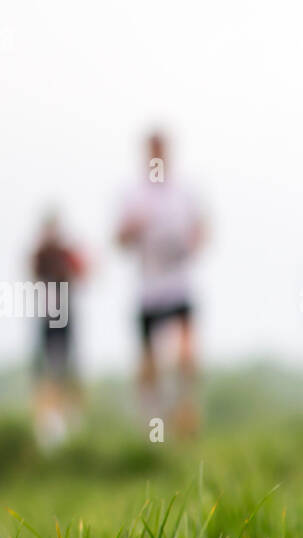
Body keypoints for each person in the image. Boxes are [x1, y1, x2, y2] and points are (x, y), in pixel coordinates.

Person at [116, 131, 207, 437]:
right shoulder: (134, 194)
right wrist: (132, 229)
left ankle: (184, 413)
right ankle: (152, 419)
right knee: (148, 364)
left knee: (187, 355)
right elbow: (119, 240)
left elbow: (201, 230)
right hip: (149, 291)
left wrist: (191, 242)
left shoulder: (184, 192)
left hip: (179, 286)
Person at [30, 211, 87, 450]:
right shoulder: (41, 254)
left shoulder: (66, 253)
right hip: (48, 316)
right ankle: (49, 424)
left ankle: (70, 419)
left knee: (66, 369)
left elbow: (82, 273)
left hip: (65, 315)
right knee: (47, 370)